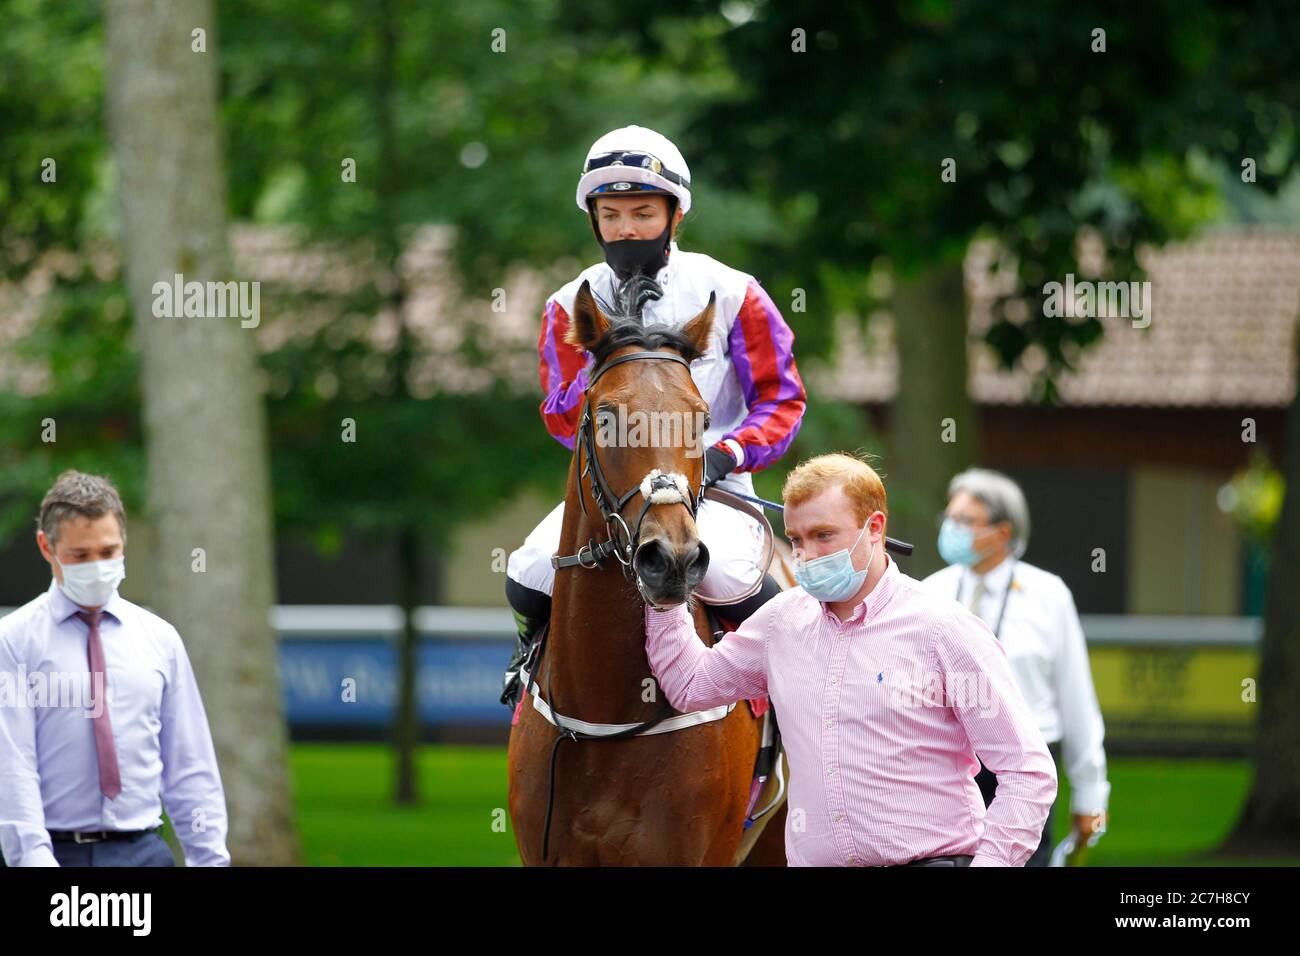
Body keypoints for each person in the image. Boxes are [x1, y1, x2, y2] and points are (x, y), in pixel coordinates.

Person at [500, 124, 808, 708]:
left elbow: (782, 399)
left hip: (715, 489)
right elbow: (561, 416)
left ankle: (782, 720)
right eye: (610, 215)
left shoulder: (734, 292)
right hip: (615, 489)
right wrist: (603, 388)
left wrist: (726, 453)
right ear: (592, 218)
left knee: (732, 583)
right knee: (530, 575)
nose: (625, 229)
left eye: (642, 212)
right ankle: (532, 683)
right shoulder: (569, 304)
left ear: (675, 215)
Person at [643, 452, 1056, 866]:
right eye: (798, 538)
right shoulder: (779, 623)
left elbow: (1028, 772)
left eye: (824, 535)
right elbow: (690, 684)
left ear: (874, 527)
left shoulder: (944, 629)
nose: (806, 554)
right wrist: (664, 597)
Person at [0, 470, 229, 866]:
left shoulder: (159, 639)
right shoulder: (15, 641)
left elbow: (189, 765)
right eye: (79, 556)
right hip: (58, 852)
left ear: (124, 543)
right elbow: (12, 768)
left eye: (108, 552)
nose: (96, 566)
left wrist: (209, 859)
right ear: (46, 546)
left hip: (145, 851)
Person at [923, 467, 1110, 866]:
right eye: (949, 519)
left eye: (965, 521)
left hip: (1025, 763)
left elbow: (1076, 698)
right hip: (950, 764)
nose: (952, 529)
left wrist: (1090, 792)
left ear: (1003, 533)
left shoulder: (1048, 596)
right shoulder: (930, 592)